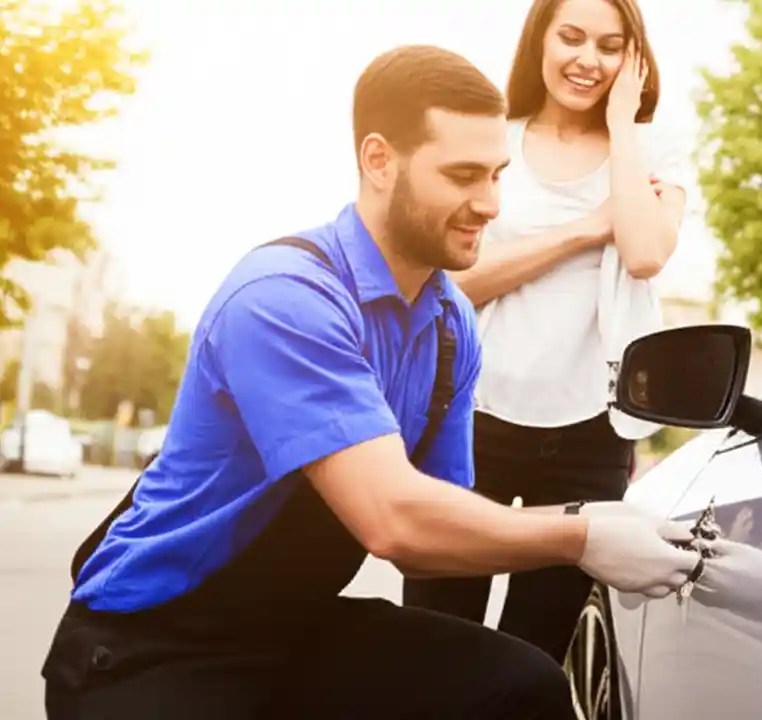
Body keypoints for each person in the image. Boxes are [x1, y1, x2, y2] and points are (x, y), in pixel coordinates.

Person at [39, 44, 697, 720]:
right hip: (147, 647)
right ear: (379, 161)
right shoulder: (285, 299)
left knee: (518, 684)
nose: (491, 204)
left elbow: (442, 524)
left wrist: (604, 516)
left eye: (498, 174)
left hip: (290, 631)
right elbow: (394, 522)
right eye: (464, 175)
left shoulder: (448, 327)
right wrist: (584, 537)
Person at [404, 0, 694, 664]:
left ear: (633, 58)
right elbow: (447, 285)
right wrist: (585, 231)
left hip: (589, 435)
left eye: (610, 45)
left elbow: (646, 252)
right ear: (540, 40)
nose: (588, 59)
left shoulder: (651, 150)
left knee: (533, 657)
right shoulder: (492, 142)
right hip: (467, 419)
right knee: (432, 642)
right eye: (571, 37)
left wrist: (625, 122)